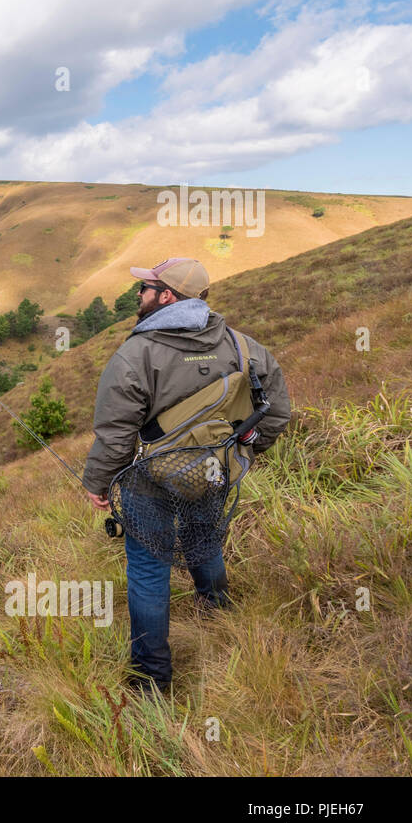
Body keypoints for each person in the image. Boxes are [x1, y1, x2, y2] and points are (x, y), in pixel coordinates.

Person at [82, 258, 291, 694]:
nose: (137, 295)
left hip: (149, 480)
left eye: (146, 288)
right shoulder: (242, 345)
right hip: (215, 470)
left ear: (167, 296)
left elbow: (116, 434)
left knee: (147, 570)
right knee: (204, 540)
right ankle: (216, 611)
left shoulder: (136, 354)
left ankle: (151, 680)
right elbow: (277, 412)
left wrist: (98, 485)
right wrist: (241, 454)